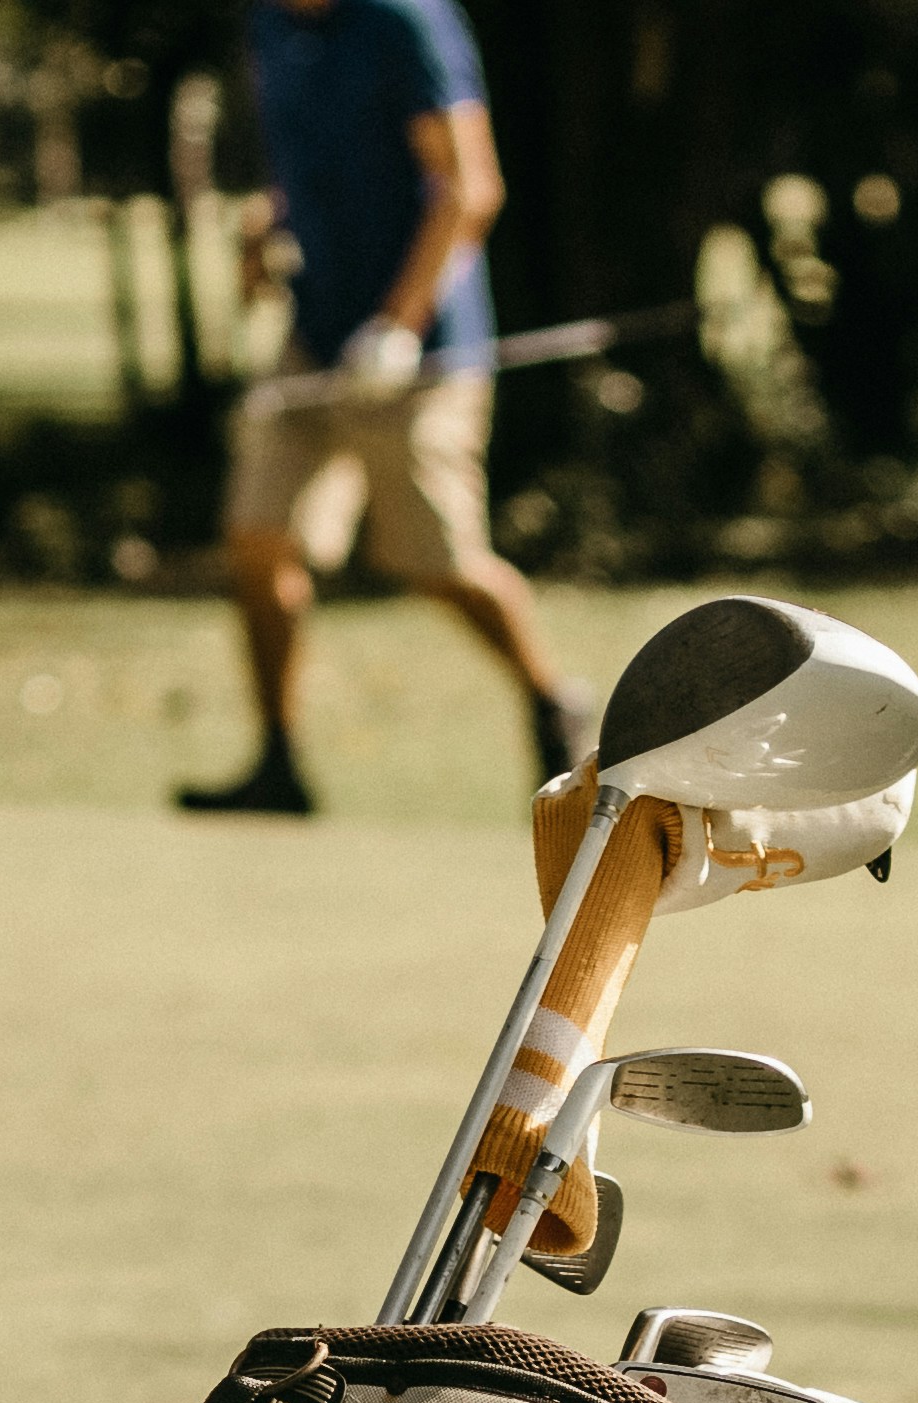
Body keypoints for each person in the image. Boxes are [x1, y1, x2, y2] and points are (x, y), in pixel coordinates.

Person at [172, 0, 591, 821]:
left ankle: (552, 698)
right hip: (314, 335)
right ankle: (279, 765)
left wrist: (398, 325)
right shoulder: (269, 23)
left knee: (434, 560)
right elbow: (307, 157)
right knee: (259, 536)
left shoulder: (408, 20)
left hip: (423, 347)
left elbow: (469, 188)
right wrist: (269, 220)